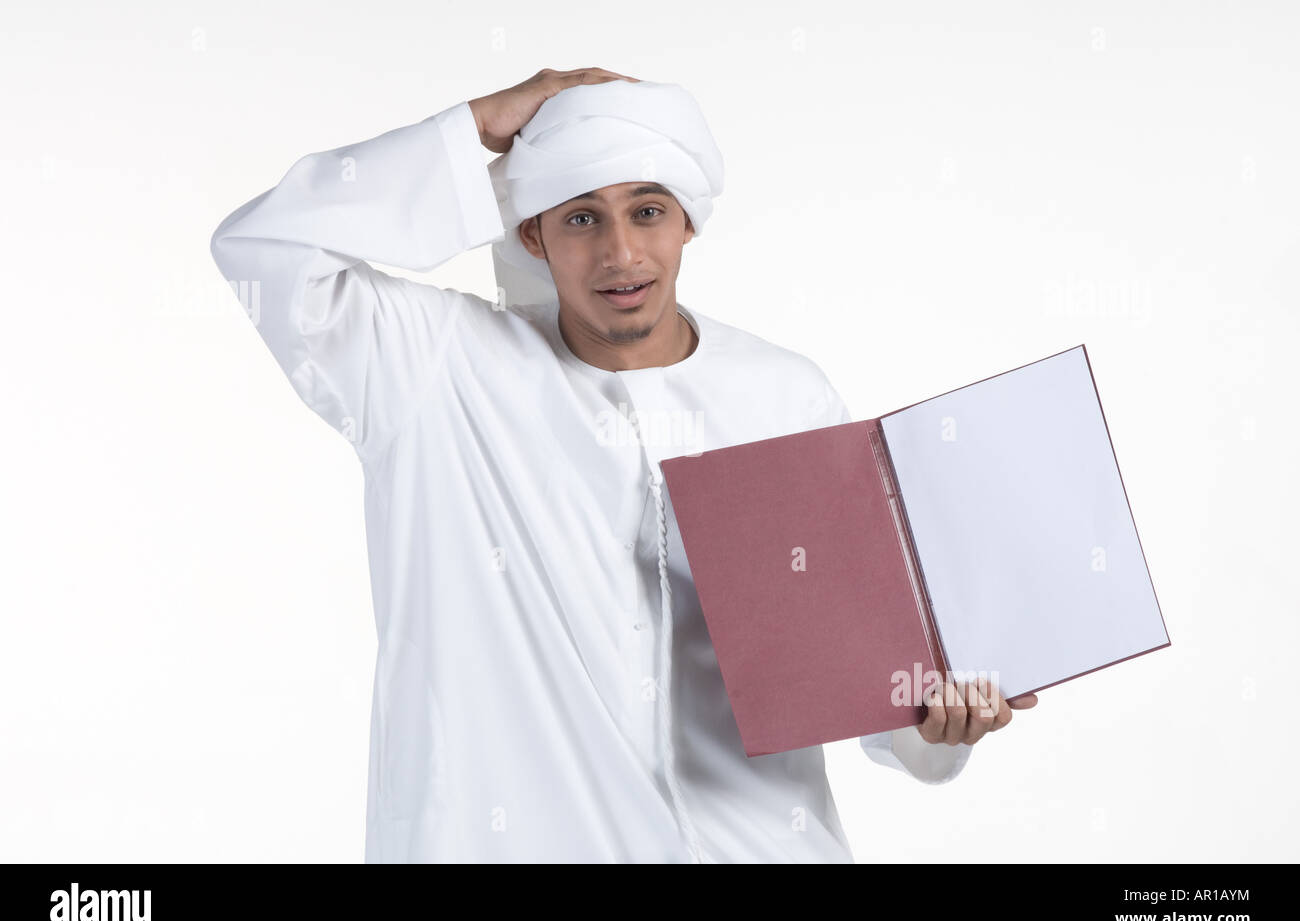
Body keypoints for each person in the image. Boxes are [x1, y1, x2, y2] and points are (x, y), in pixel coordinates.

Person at [209, 67, 1035, 864]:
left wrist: (933, 728)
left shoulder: (783, 395)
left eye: (647, 211)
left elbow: (847, 662)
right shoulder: (431, 368)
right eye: (580, 218)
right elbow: (263, 247)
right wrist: (471, 131)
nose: (620, 253)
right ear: (530, 231)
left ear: (687, 223)